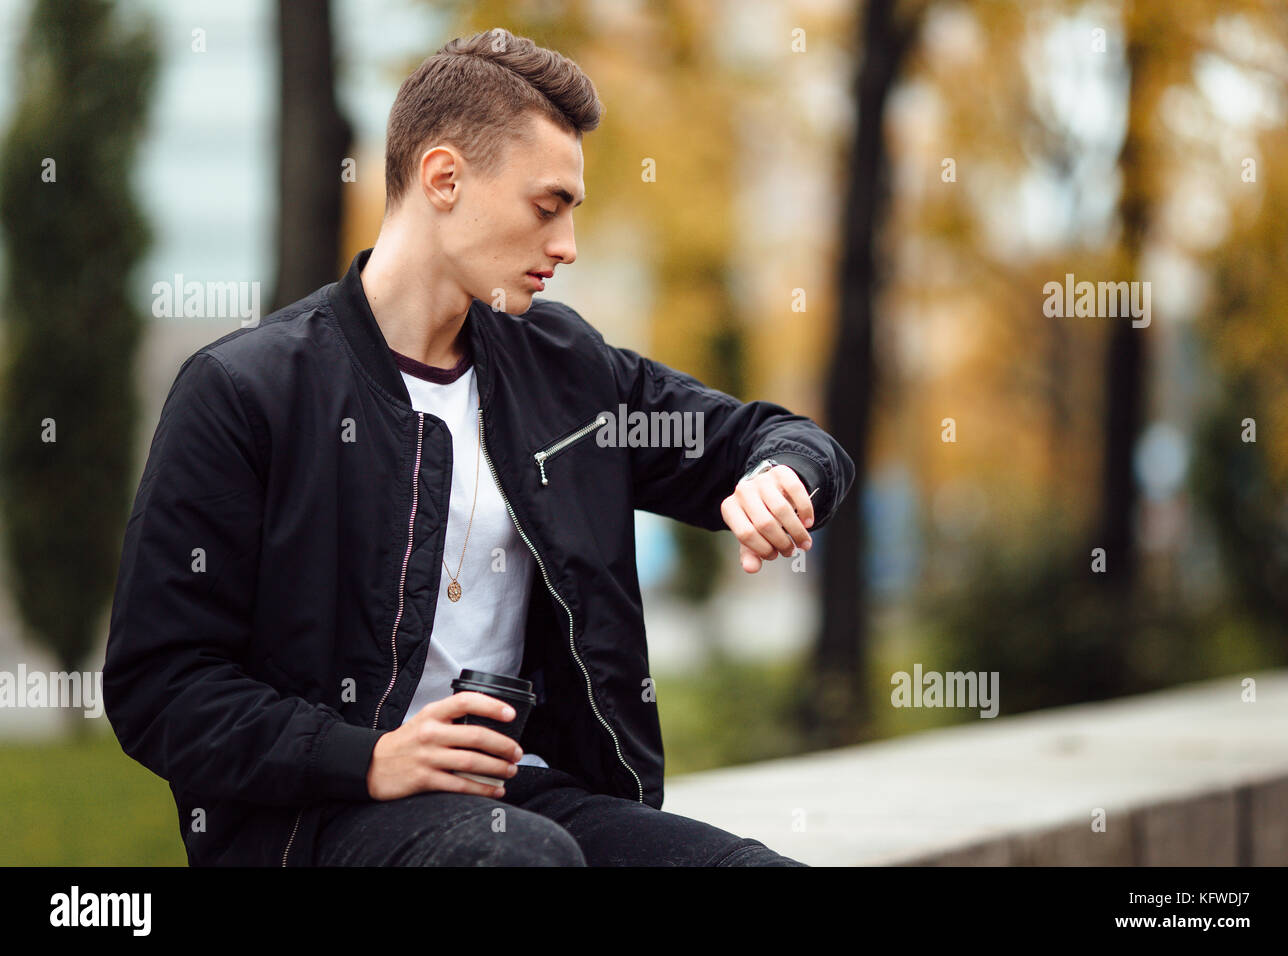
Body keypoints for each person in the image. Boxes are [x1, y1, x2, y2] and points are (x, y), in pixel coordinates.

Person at [103, 27, 854, 867]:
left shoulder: (563, 371)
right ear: (444, 178)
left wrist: (783, 474)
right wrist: (370, 757)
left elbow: (764, 435)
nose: (566, 244)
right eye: (548, 206)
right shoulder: (247, 391)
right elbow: (159, 685)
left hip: (533, 795)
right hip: (312, 820)